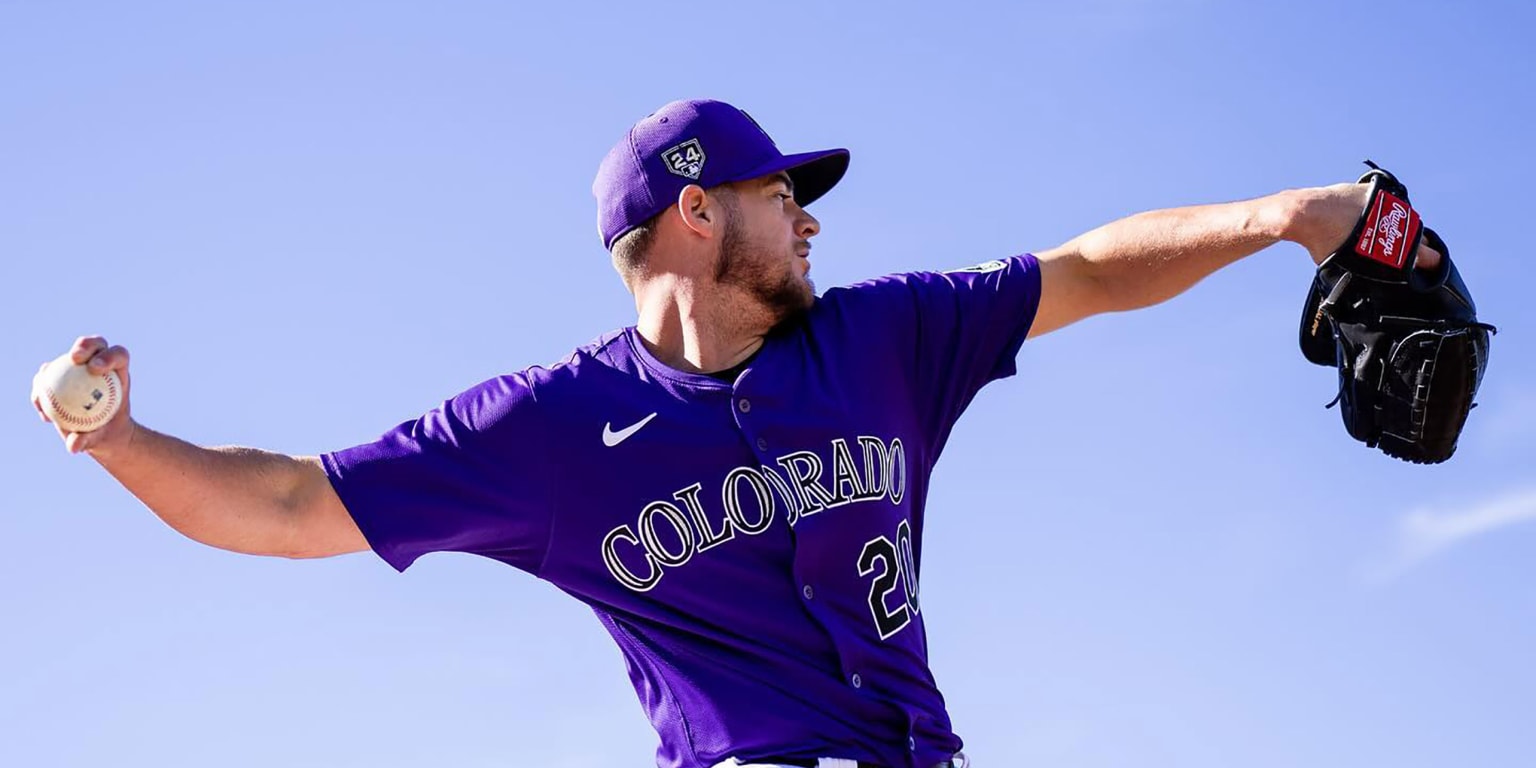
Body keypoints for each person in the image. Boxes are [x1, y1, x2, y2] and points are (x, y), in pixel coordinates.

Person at [33, 99, 1443, 768]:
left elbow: (1082, 270)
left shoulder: (887, 336)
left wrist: (1288, 220)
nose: (811, 217)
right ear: (697, 214)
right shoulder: (547, 429)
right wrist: (120, 440)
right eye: (784, 194)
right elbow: (286, 507)